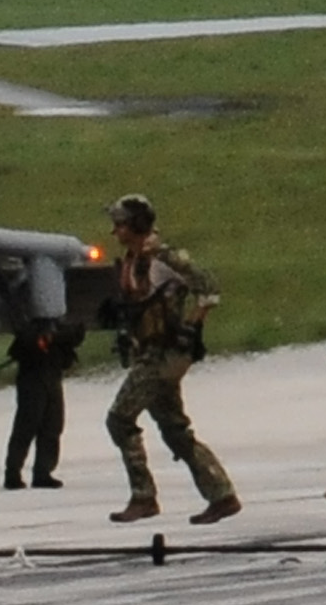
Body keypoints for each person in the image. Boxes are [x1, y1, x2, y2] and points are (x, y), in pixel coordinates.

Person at [94, 195, 240, 524]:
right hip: (147, 351)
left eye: (120, 224)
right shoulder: (134, 260)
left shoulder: (163, 259)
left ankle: (144, 496)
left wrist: (193, 323)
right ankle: (222, 494)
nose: (115, 231)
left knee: (119, 419)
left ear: (136, 226)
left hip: (161, 355)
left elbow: (208, 286)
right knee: (175, 430)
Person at [0, 309, 81, 488]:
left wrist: (55, 338)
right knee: (27, 425)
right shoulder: (28, 327)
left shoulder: (60, 327)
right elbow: (24, 343)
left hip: (52, 375)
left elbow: (76, 335)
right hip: (32, 377)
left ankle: (43, 471)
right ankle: (13, 472)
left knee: (52, 425)